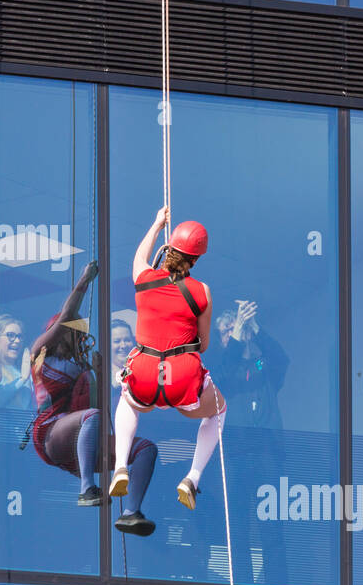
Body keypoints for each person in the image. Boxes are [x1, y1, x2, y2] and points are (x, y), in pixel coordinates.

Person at [28, 261, 158, 535]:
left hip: (81, 438)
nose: (80, 339)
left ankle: (131, 512)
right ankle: (87, 487)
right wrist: (85, 281)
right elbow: (68, 312)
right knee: (92, 417)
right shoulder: (40, 354)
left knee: (146, 448)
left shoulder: (83, 369)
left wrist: (97, 374)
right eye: (73, 333)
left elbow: (99, 415)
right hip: (52, 433)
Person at [111, 207, 226, 511]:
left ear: (169, 249)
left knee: (128, 401)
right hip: (182, 376)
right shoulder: (201, 291)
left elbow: (138, 258)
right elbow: (202, 345)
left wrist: (157, 225)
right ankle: (193, 477)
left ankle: (121, 465)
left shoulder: (144, 278)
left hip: (146, 372)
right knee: (218, 410)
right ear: (196, 259)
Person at [215, 301, 290, 585]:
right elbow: (220, 378)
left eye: (234, 329)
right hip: (235, 455)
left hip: (267, 454)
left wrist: (254, 328)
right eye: (225, 332)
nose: (229, 335)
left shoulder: (264, 367)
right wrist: (236, 338)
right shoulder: (222, 370)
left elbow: (280, 358)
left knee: (272, 525)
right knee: (238, 525)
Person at [0, 314, 34, 412]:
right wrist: (22, 380)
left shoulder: (24, 370)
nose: (17, 341)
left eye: (20, 336)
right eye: (10, 335)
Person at [109, 318, 136, 391]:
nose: (123, 345)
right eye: (117, 341)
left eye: (127, 340)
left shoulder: (141, 372)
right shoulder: (100, 374)